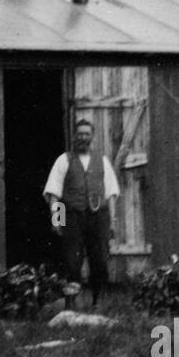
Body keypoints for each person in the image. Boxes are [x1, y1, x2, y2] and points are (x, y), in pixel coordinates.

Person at [43, 118, 120, 308]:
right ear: (74, 137)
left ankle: (97, 301)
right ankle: (71, 303)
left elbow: (111, 193)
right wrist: (56, 220)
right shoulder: (64, 160)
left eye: (87, 134)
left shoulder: (102, 160)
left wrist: (112, 222)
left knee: (100, 260)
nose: (83, 138)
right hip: (73, 217)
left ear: (92, 137)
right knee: (72, 260)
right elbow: (54, 193)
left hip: (98, 217)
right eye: (80, 134)